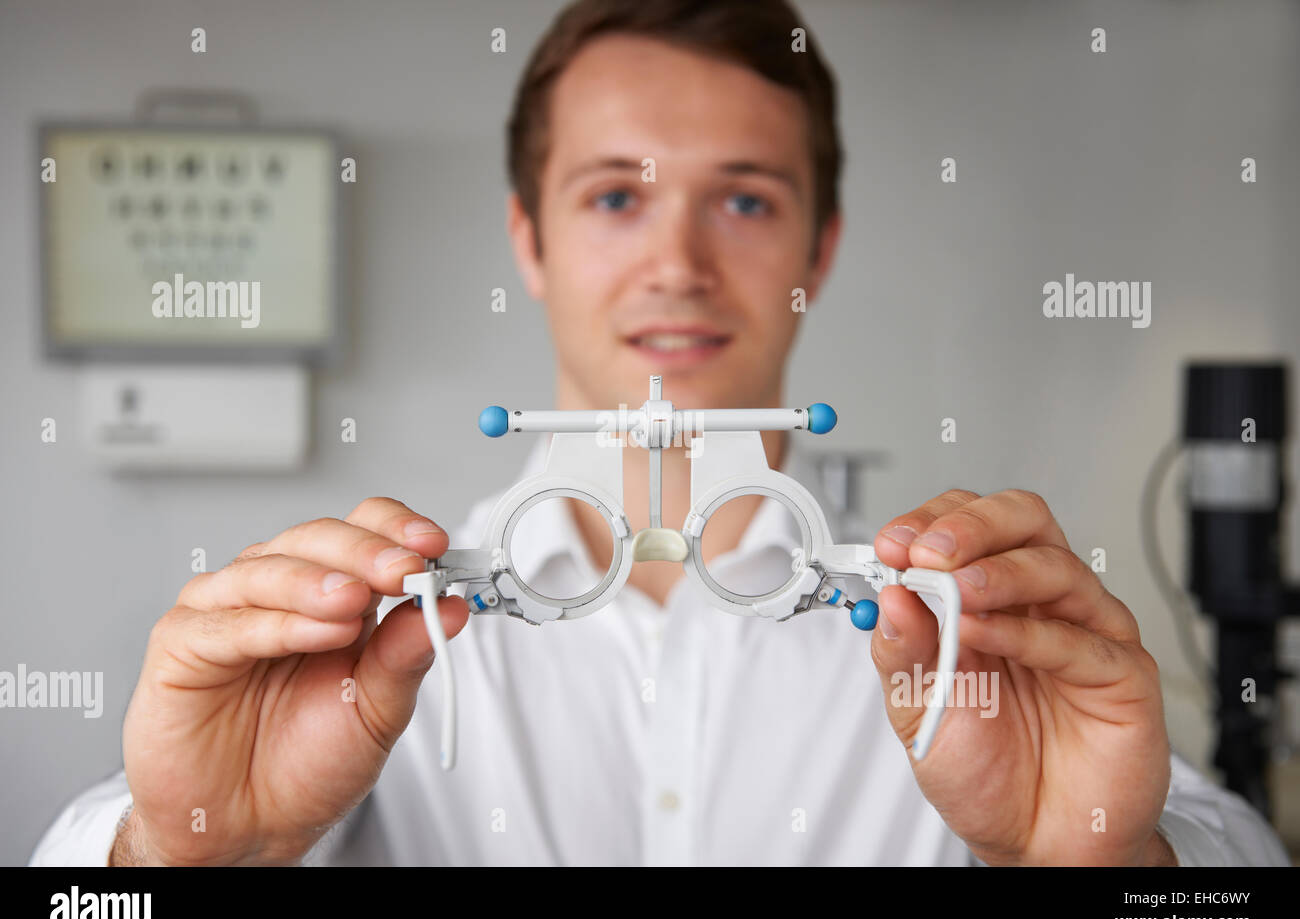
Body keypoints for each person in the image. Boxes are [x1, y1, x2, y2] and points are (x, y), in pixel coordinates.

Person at [31, 0, 1288, 866]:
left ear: (819, 245)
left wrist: (1117, 868)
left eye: (743, 198)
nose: (677, 264)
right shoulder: (360, 650)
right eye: (616, 194)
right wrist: (178, 853)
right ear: (528, 236)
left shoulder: (974, 647)